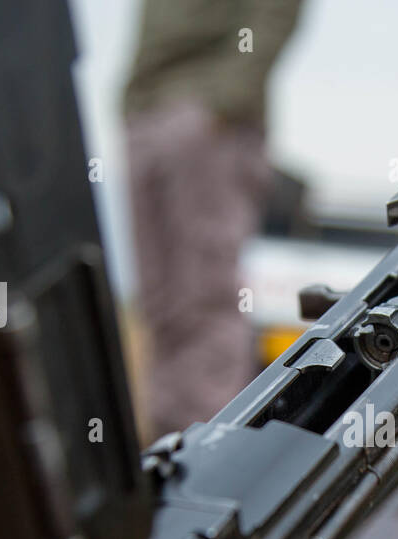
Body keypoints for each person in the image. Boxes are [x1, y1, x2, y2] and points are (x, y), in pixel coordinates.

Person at [123, 0, 303, 437]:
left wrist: (221, 103)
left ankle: (208, 463)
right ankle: (169, 456)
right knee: (161, 305)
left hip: (205, 119)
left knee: (203, 300)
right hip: (148, 108)